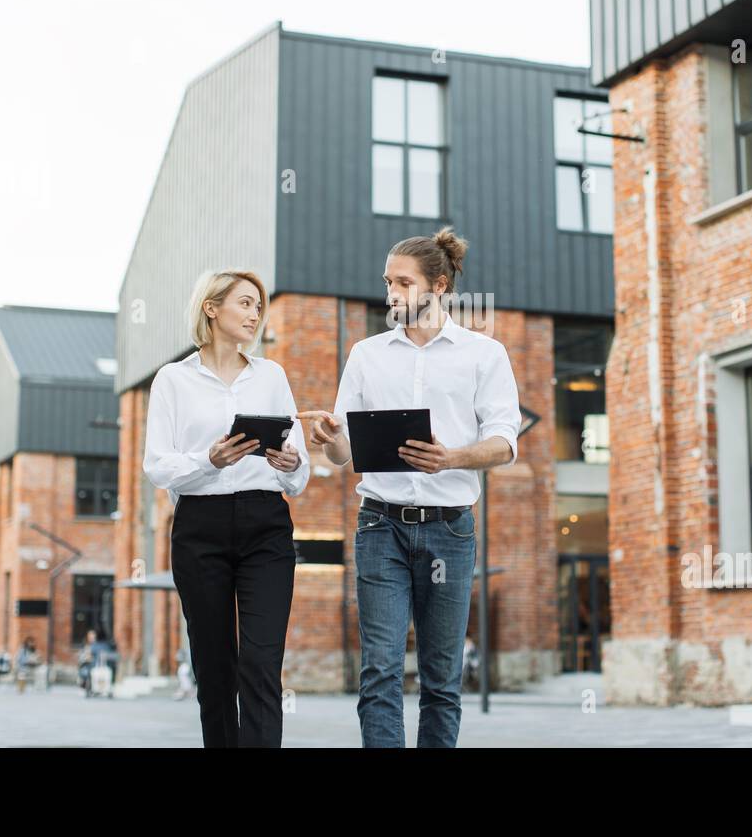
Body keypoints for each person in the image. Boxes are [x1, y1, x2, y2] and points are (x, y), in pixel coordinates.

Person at [299, 226, 520, 748]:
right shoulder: (366, 355)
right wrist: (329, 438)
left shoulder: (483, 355)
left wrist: (453, 458)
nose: (391, 294)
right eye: (387, 282)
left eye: (403, 282)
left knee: (441, 678)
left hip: (449, 531)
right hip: (380, 526)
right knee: (379, 670)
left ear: (439, 286)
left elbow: (506, 443)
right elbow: (344, 452)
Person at [144, 268, 310, 747]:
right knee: (214, 668)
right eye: (244, 303)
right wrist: (209, 460)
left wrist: (290, 460)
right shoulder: (172, 380)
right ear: (211, 308)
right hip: (200, 526)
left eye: (259, 306)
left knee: (260, 663)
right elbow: (157, 465)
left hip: (266, 525)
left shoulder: (272, 376)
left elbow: (296, 478)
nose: (254, 314)